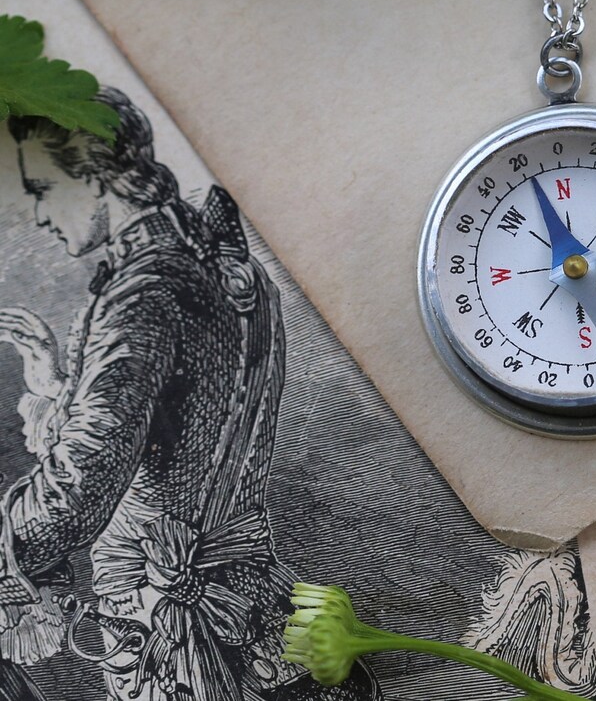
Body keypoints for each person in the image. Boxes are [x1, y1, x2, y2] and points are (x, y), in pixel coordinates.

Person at [0, 89, 375, 700]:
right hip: (260, 614)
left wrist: (7, 543)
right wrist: (52, 384)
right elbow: (173, 436)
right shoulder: (232, 267)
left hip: (168, 639)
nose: (38, 215)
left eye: (41, 191)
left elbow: (79, 491)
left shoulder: (140, 295)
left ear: (97, 177)